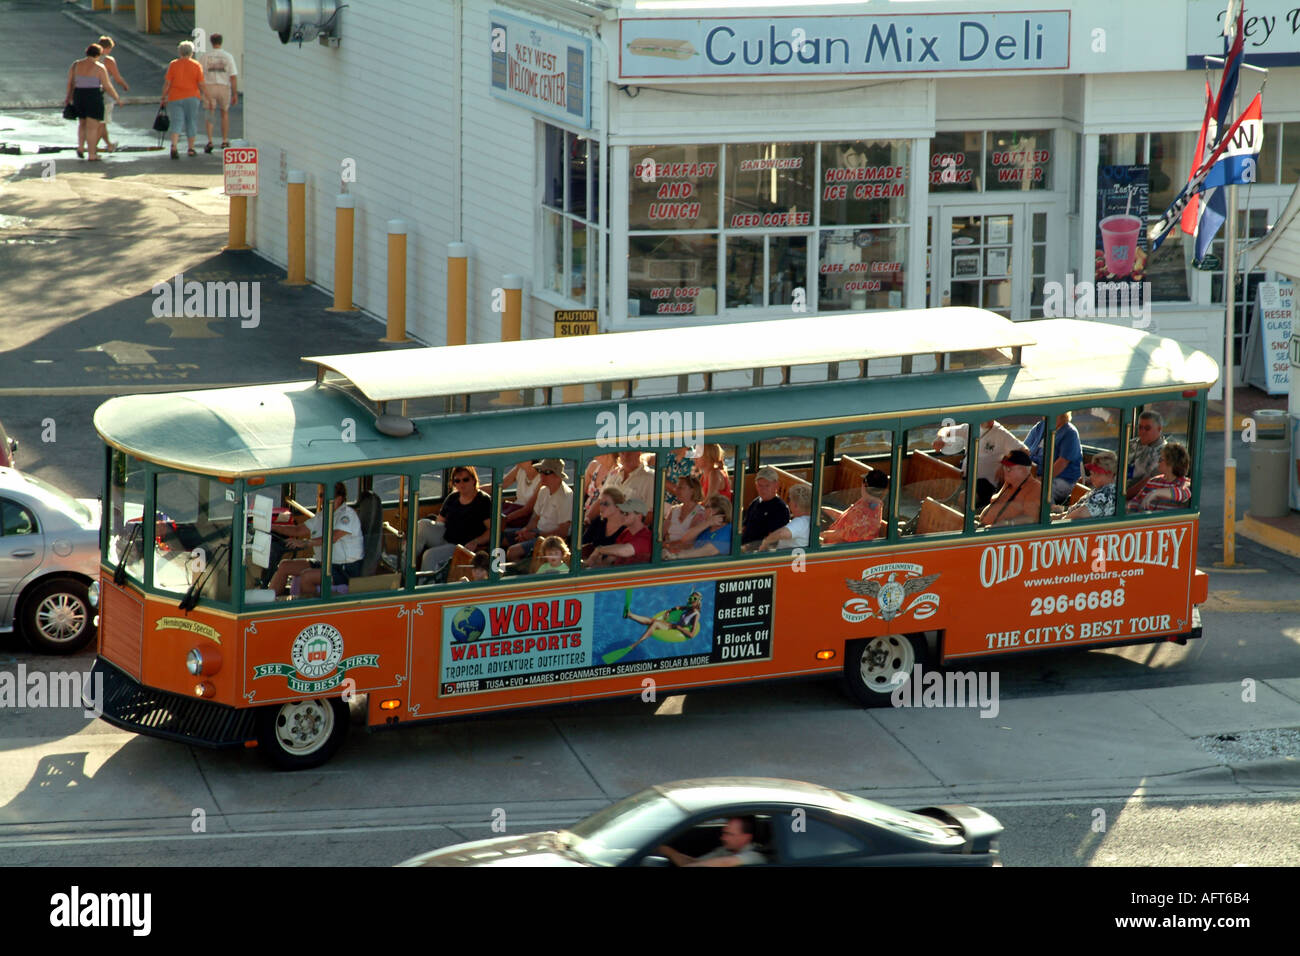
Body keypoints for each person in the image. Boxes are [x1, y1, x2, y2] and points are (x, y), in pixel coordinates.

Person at [268, 482, 364, 597]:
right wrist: (272, 527)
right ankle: (266, 603)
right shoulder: (323, 515)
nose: (322, 499)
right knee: (285, 566)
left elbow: (332, 538)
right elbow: (298, 530)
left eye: (325, 496)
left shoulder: (347, 515)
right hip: (325, 563)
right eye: (321, 495)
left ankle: (306, 610)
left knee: (306, 576)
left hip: (344, 569)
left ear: (339, 499)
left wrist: (305, 543)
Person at [415, 466, 491, 572]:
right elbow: (440, 522)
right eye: (457, 481)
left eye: (465, 479)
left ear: (473, 480)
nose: (461, 484)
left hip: (460, 545)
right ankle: (403, 567)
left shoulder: (483, 500)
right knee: (422, 524)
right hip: (445, 535)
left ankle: (424, 585)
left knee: (430, 555)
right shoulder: (453, 497)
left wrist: (476, 541)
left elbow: (491, 530)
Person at [506, 459, 572, 562]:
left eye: (546, 472)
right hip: (537, 533)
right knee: (502, 536)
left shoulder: (566, 496)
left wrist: (536, 535)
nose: (541, 475)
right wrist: (525, 531)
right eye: (540, 471)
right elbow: (535, 518)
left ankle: (527, 574)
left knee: (512, 552)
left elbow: (562, 532)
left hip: (552, 541)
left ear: (557, 476)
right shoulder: (543, 490)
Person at [65, 44, 121, 161]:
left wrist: (68, 97)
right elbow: (107, 85)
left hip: (78, 96)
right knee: (92, 127)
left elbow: (70, 83)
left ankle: (80, 147)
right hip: (93, 96)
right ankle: (92, 154)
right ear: (98, 55)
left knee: (82, 124)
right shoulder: (99, 67)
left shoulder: (75, 65)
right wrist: (117, 98)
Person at [619, 590, 703, 657]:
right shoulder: (688, 608)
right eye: (690, 598)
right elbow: (678, 607)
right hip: (673, 625)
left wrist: (678, 628)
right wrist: (669, 611)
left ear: (698, 602)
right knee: (651, 620)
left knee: (654, 624)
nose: (691, 600)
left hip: (676, 628)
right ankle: (629, 615)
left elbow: (691, 635)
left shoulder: (696, 614)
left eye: (694, 599)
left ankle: (634, 645)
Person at [658, 817, 765, 867]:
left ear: (745, 838)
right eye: (724, 833)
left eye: (729, 834)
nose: (723, 838)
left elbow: (726, 862)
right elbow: (695, 864)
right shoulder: (724, 851)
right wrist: (669, 852)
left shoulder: (755, 856)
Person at [161, 40, 206, 159]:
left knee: (177, 121)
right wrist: (206, 95)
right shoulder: (196, 65)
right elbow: (201, 83)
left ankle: (174, 146)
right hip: (192, 97)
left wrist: (164, 96)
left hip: (175, 96)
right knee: (191, 121)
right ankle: (191, 148)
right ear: (191, 52)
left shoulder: (173, 64)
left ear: (180, 52)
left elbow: (167, 82)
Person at [1025, 412, 1082, 505]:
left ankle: (1050, 513)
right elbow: (1025, 450)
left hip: (1061, 479)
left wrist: (1042, 479)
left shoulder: (1070, 433)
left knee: (1038, 490)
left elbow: (1062, 463)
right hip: (1034, 474)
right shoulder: (1040, 426)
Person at [977, 449, 1042, 528]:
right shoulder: (1010, 482)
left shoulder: (1034, 488)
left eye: (1009, 469)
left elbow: (1030, 518)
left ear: (1023, 470)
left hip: (998, 533)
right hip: (982, 525)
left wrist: (1002, 525)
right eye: (1004, 467)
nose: (1005, 471)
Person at [972, 420, 1028, 510]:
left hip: (986, 484)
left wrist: (1004, 465)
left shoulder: (1001, 433)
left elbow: (1025, 452)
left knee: (965, 496)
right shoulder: (971, 426)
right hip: (970, 479)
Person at [822, 469, 888, 544]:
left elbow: (844, 535)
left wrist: (822, 535)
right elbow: (849, 519)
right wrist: (827, 510)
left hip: (840, 549)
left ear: (864, 486)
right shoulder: (870, 503)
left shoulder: (866, 509)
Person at [197, 32, 238, 152]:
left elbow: (199, 74)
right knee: (224, 113)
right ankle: (224, 140)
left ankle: (210, 141)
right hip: (224, 86)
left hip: (209, 86)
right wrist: (235, 93)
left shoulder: (205, 56)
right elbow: (233, 76)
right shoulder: (228, 56)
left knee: (210, 113)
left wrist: (200, 89)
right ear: (221, 42)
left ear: (211, 42)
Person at [585, 498, 651, 567]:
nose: (622, 516)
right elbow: (611, 559)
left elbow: (624, 550)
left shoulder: (646, 536)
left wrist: (599, 550)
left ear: (639, 516)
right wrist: (595, 566)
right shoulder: (626, 532)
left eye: (626, 513)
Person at [663, 495, 732, 559]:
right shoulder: (707, 528)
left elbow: (708, 551)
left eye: (706, 506)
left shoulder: (727, 529)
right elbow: (685, 539)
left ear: (713, 511)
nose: (704, 509)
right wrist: (707, 523)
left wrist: (676, 556)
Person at [1057, 451, 1118, 521]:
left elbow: (1080, 513)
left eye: (1097, 473)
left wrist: (1057, 522)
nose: (1092, 477)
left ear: (1110, 474)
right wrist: (1055, 517)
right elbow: (1073, 511)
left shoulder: (1107, 494)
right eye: (1092, 473)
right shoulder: (1098, 490)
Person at [1131, 441, 1191, 512]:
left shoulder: (1184, 483)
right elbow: (1135, 502)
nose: (1158, 462)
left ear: (1171, 463)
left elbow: (1184, 494)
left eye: (1161, 459)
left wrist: (1156, 493)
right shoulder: (1153, 481)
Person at [740, 466, 790, 551]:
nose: (763, 489)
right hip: (742, 546)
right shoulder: (755, 502)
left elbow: (772, 540)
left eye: (767, 485)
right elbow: (744, 528)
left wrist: (745, 548)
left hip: (759, 551)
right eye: (760, 485)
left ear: (776, 485)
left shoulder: (780, 508)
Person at [94, 37, 129, 153]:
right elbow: (117, 77)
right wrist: (124, 85)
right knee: (102, 122)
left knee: (101, 123)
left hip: (91, 93)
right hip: (105, 95)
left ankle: (109, 144)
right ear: (107, 48)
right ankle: (93, 147)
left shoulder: (92, 59)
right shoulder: (108, 60)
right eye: (110, 49)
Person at [602, 451, 656, 521]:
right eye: (622, 452)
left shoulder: (650, 478)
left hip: (629, 528)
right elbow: (600, 501)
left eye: (630, 452)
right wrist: (587, 518)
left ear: (638, 453)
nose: (626, 456)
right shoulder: (613, 473)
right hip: (604, 523)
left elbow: (652, 515)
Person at [1125, 410, 1167, 498]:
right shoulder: (1132, 444)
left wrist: (1123, 497)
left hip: (1137, 498)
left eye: (1147, 428)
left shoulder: (1165, 453)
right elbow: (1113, 463)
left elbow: (1149, 481)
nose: (1142, 431)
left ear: (1159, 429)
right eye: (1140, 427)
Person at [758, 483, 810, 550]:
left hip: (785, 557)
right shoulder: (810, 519)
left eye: (789, 500)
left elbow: (781, 533)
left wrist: (765, 542)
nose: (788, 503)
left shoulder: (801, 522)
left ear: (796, 505)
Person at [663, 475, 705, 546]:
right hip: (668, 550)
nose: (676, 490)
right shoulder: (674, 510)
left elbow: (690, 540)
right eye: (677, 487)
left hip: (686, 553)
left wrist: (667, 545)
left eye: (680, 487)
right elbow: (661, 533)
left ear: (692, 491)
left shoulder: (700, 512)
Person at [501, 459, 541, 529]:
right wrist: (477, 488)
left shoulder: (542, 478)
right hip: (513, 510)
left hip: (526, 519)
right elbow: (500, 485)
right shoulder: (519, 468)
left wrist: (505, 519)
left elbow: (527, 510)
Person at [581, 453, 617, 524]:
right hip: (584, 512)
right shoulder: (593, 466)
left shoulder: (616, 472)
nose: (594, 453)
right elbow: (580, 492)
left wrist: (587, 518)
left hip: (601, 518)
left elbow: (603, 501)